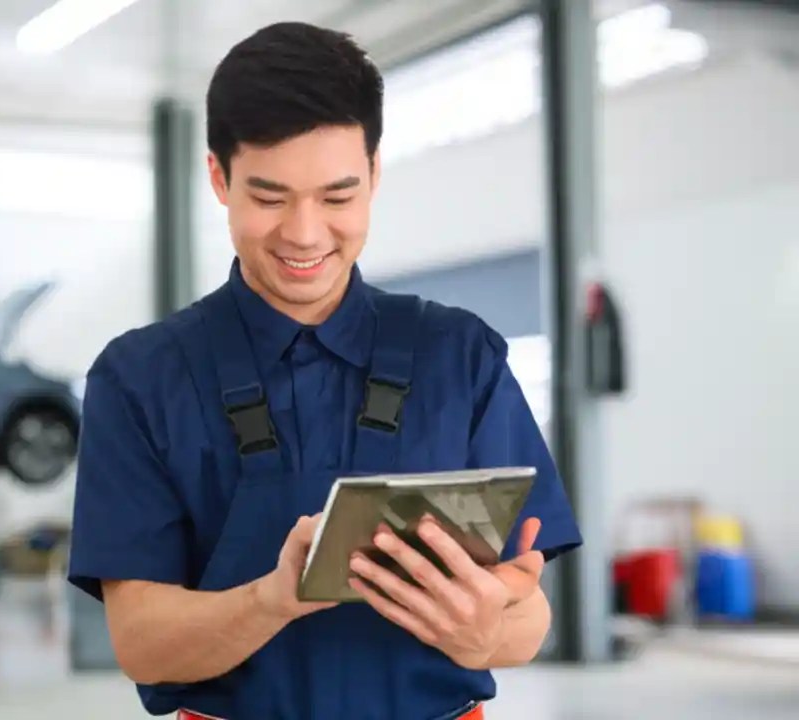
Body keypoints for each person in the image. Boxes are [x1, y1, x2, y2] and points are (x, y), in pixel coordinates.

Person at [67, 21, 582, 720]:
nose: (305, 234)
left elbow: (528, 616)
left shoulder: (461, 358)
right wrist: (270, 601)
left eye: (338, 196)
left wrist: (485, 629)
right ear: (219, 177)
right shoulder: (141, 379)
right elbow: (142, 645)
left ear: (374, 173)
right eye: (270, 197)